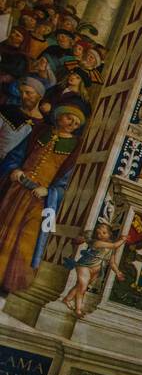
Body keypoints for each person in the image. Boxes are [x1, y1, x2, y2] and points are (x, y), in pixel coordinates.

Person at [0, 103, 85, 293]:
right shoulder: (41, 132)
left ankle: (8, 284)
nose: (73, 123)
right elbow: (16, 155)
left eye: (77, 122)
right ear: (59, 116)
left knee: (26, 239)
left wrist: (50, 191)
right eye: (70, 117)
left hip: (41, 201)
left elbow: (69, 183)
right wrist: (15, 169)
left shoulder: (76, 147)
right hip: (17, 190)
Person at [61, 222, 126, 319]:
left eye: (104, 233)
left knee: (80, 285)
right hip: (85, 266)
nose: (100, 235)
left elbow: (112, 262)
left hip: (97, 270)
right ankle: (78, 309)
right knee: (82, 287)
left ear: (109, 234)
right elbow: (115, 245)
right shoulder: (97, 243)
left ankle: (67, 299)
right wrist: (123, 240)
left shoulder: (110, 248)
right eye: (98, 233)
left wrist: (118, 272)